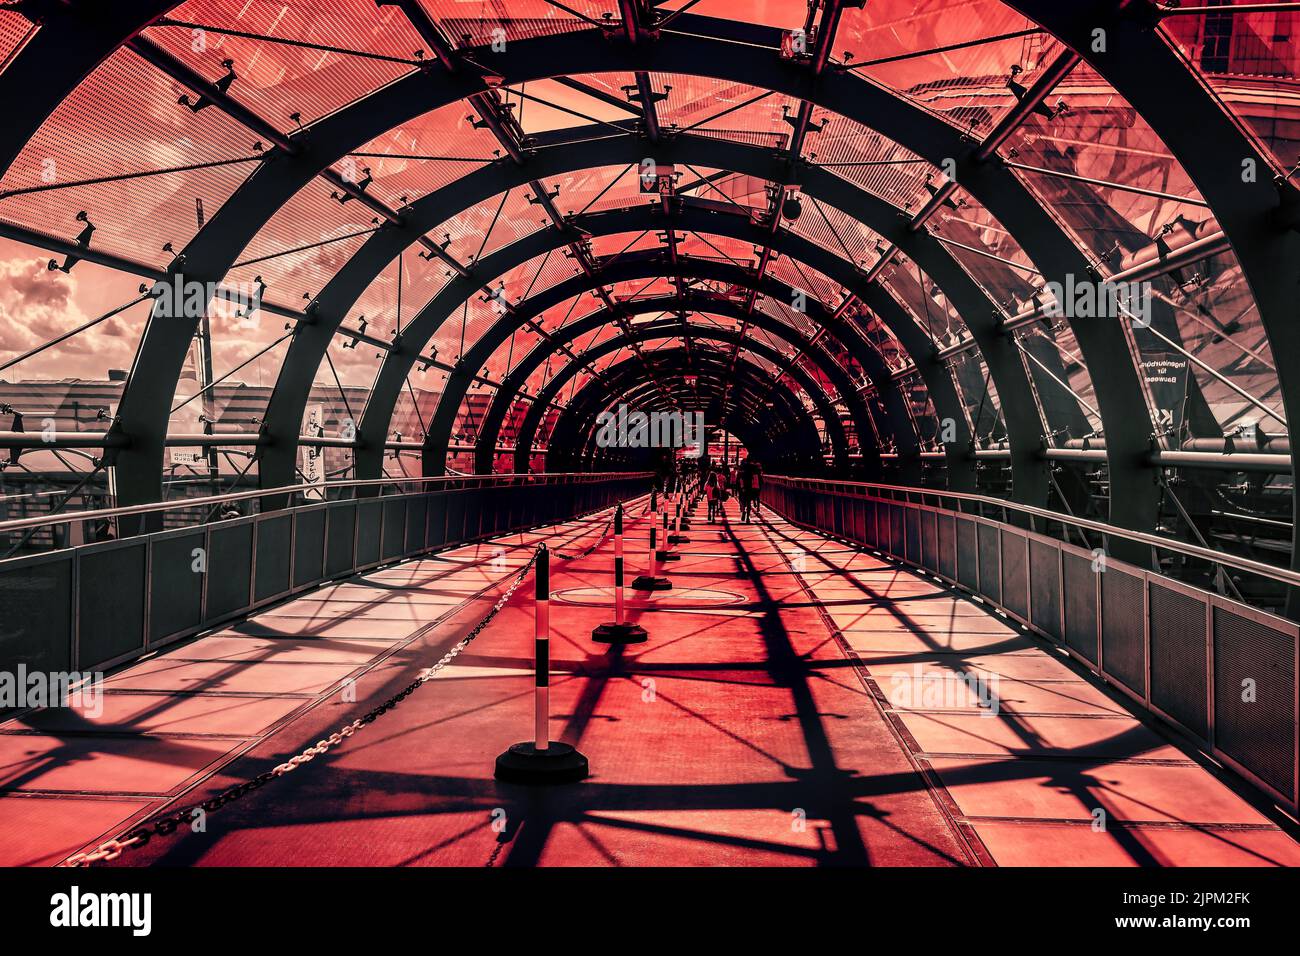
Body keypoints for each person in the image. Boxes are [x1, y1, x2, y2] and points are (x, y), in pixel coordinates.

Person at [739, 456, 764, 522]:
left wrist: (742, 486)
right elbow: (757, 476)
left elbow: (740, 477)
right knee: (749, 502)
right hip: (751, 487)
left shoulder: (743, 466)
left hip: (744, 486)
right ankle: (747, 517)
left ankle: (743, 511)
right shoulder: (754, 467)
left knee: (743, 500)